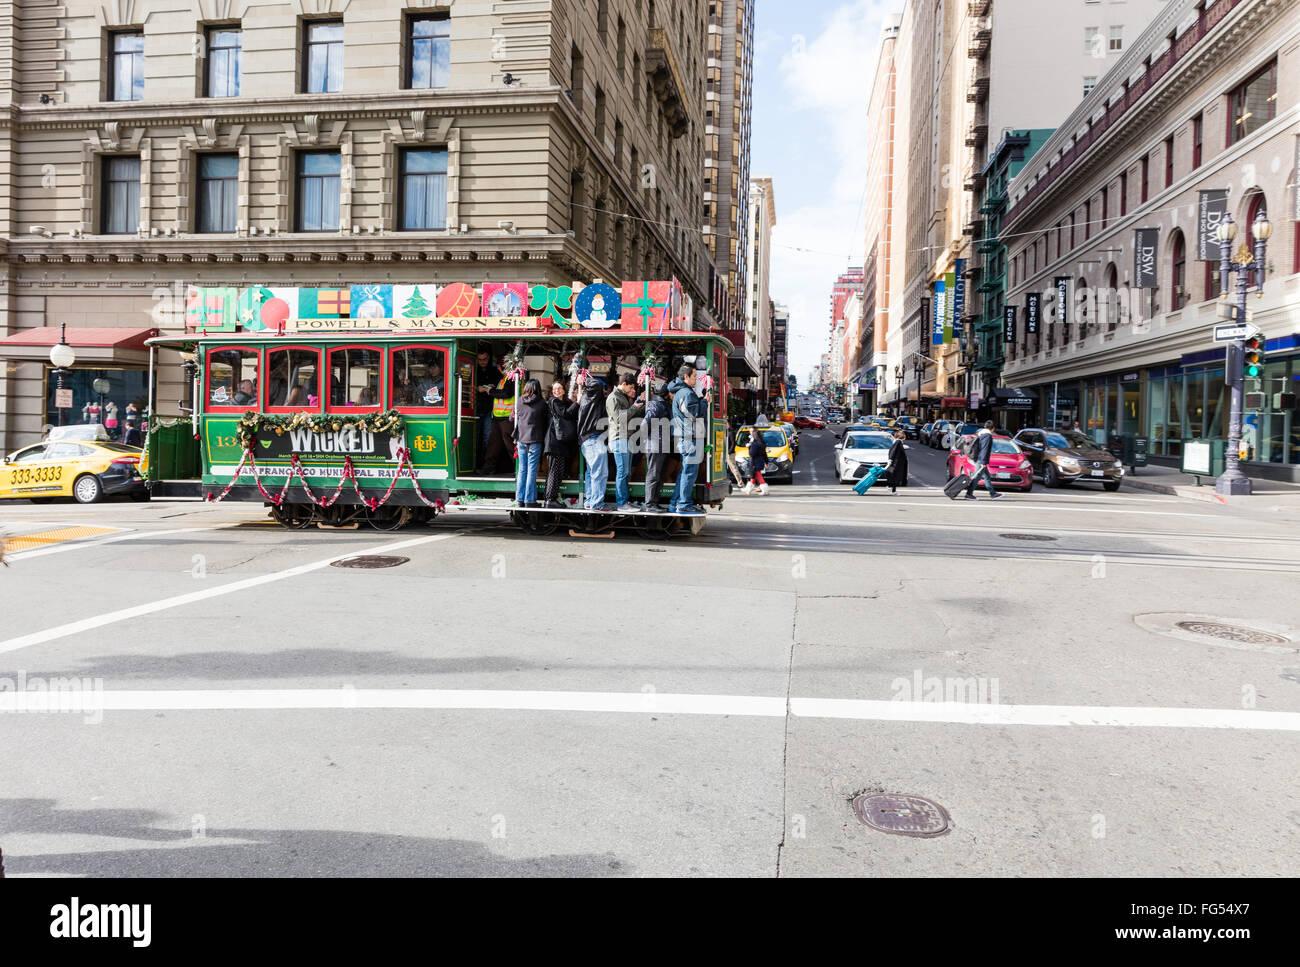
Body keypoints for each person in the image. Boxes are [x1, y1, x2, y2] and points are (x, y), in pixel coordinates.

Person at [667, 364, 710, 514]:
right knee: (688, 473)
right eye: (694, 376)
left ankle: (675, 503)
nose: (696, 379)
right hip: (689, 438)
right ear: (686, 377)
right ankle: (683, 504)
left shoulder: (681, 392)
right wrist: (705, 402)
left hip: (684, 437)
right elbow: (695, 413)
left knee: (685, 472)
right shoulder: (686, 393)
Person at [606, 373, 646, 510]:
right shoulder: (613, 398)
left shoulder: (622, 396)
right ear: (623, 384)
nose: (632, 390)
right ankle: (622, 503)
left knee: (626, 471)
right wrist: (635, 407)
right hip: (618, 438)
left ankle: (624, 501)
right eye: (631, 387)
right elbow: (619, 419)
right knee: (622, 472)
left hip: (625, 438)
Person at [511, 378, 548, 507]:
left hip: (521, 439)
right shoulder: (542, 403)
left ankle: (520, 499)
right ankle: (530, 500)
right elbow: (545, 421)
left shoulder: (519, 401)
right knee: (532, 471)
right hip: (535, 440)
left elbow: (512, 418)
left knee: (522, 470)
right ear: (537, 389)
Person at [543, 381, 579, 508]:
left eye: (559, 388)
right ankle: (550, 499)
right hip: (553, 443)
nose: (556, 391)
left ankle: (550, 498)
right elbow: (567, 414)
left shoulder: (565, 402)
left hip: (560, 443)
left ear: (564, 390)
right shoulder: (554, 402)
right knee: (554, 471)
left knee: (558, 471)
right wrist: (578, 402)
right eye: (554, 389)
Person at [576, 375, 610, 510]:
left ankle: (590, 501)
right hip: (594, 439)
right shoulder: (593, 397)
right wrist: (584, 379)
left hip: (587, 440)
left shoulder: (587, 399)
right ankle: (597, 503)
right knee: (600, 472)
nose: (604, 391)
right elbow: (595, 385)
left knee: (591, 473)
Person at [482, 369, 521, 475]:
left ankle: (518, 468)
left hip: (507, 417)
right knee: (493, 444)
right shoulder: (503, 379)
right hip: (498, 417)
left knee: (510, 444)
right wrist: (493, 389)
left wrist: (491, 391)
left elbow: (506, 393)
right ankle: (488, 469)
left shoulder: (512, 378)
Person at [473, 349, 502, 471]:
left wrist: (491, 388)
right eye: (480, 360)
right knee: (475, 437)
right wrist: (476, 388)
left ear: (488, 358)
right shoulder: (474, 370)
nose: (482, 362)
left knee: (487, 438)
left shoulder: (495, 371)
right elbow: (467, 384)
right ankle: (475, 464)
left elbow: (502, 385)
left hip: (490, 409)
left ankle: (485, 466)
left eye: (484, 359)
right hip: (475, 409)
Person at [962, 420, 1002, 500]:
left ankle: (993, 493)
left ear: (985, 427)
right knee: (977, 476)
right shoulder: (987, 436)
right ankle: (969, 494)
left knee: (987, 477)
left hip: (979, 458)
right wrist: (983, 462)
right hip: (981, 460)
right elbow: (984, 449)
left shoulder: (981, 434)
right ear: (993, 428)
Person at [743, 426, 769, 495]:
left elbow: (752, 453)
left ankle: (765, 490)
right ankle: (748, 489)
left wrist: (749, 447)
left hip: (755, 462)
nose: (750, 433)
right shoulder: (762, 442)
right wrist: (766, 462)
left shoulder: (754, 444)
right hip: (760, 461)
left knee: (758, 476)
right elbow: (764, 453)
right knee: (753, 476)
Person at [885, 428, 908, 495]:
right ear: (899, 435)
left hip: (897, 462)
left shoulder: (898, 442)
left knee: (895, 476)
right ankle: (892, 489)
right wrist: (890, 459)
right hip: (896, 463)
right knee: (895, 476)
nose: (904, 435)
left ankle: (892, 489)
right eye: (902, 433)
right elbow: (892, 451)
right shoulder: (898, 442)